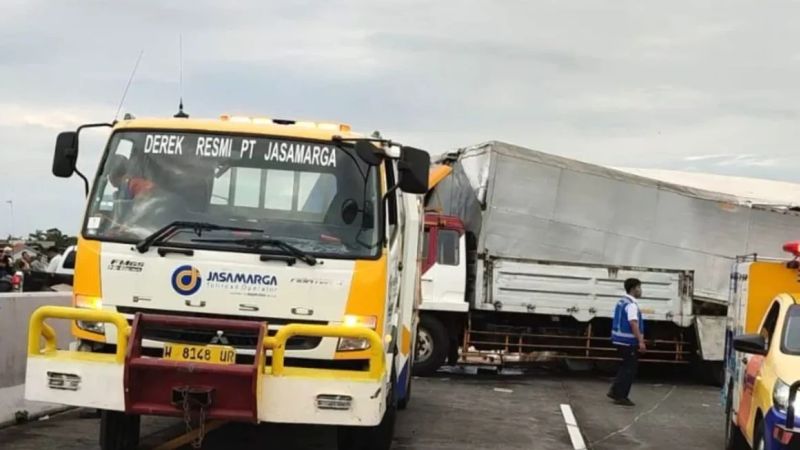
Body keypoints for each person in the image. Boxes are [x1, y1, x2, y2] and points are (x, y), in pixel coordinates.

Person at [607, 278, 646, 406]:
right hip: (628, 341)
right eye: (639, 288)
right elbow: (633, 323)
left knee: (624, 367)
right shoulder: (631, 305)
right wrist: (640, 341)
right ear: (634, 288)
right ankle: (621, 395)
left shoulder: (621, 302)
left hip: (619, 340)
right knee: (629, 369)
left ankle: (615, 391)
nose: (641, 291)